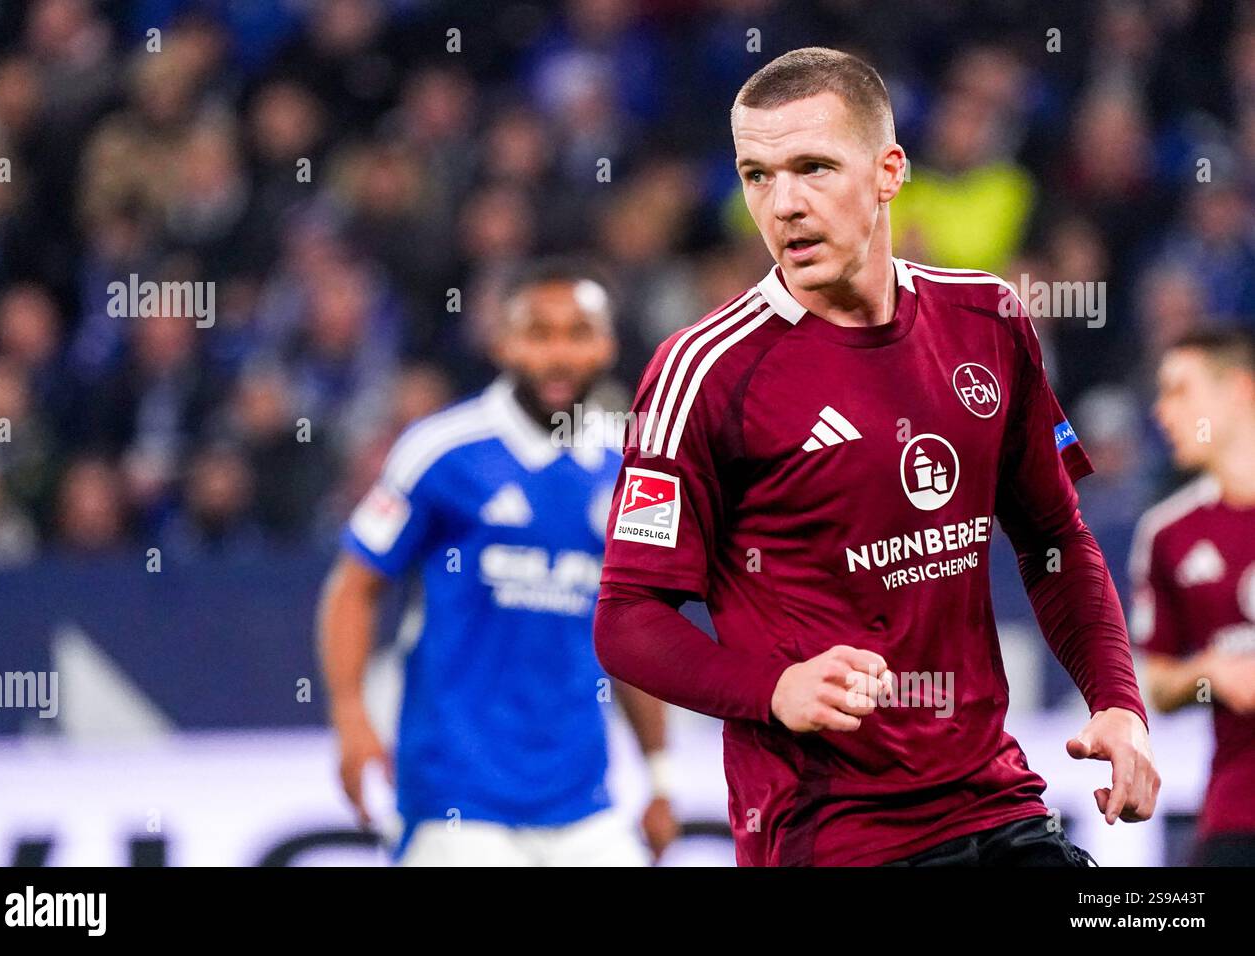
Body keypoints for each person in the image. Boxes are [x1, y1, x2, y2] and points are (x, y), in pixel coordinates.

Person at [593, 47, 1159, 867]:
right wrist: (773, 690)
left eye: (813, 168)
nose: (783, 205)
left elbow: (1053, 537)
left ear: (890, 171)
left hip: (998, 804)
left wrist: (1116, 700)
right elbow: (627, 618)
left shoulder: (989, 322)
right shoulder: (702, 372)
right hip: (831, 834)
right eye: (757, 175)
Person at [319, 258, 677, 865]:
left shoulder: (633, 468)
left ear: (607, 345)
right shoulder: (441, 452)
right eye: (539, 333)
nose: (558, 355)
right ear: (504, 342)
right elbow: (355, 588)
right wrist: (351, 715)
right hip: (455, 804)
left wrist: (660, 777)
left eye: (577, 333)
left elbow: (634, 632)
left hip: (584, 804)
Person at [1130, 328, 1255, 866]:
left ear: (1239, 390)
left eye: (1180, 391)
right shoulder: (1168, 533)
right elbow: (1155, 683)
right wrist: (1211, 674)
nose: (1162, 412)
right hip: (1235, 814)